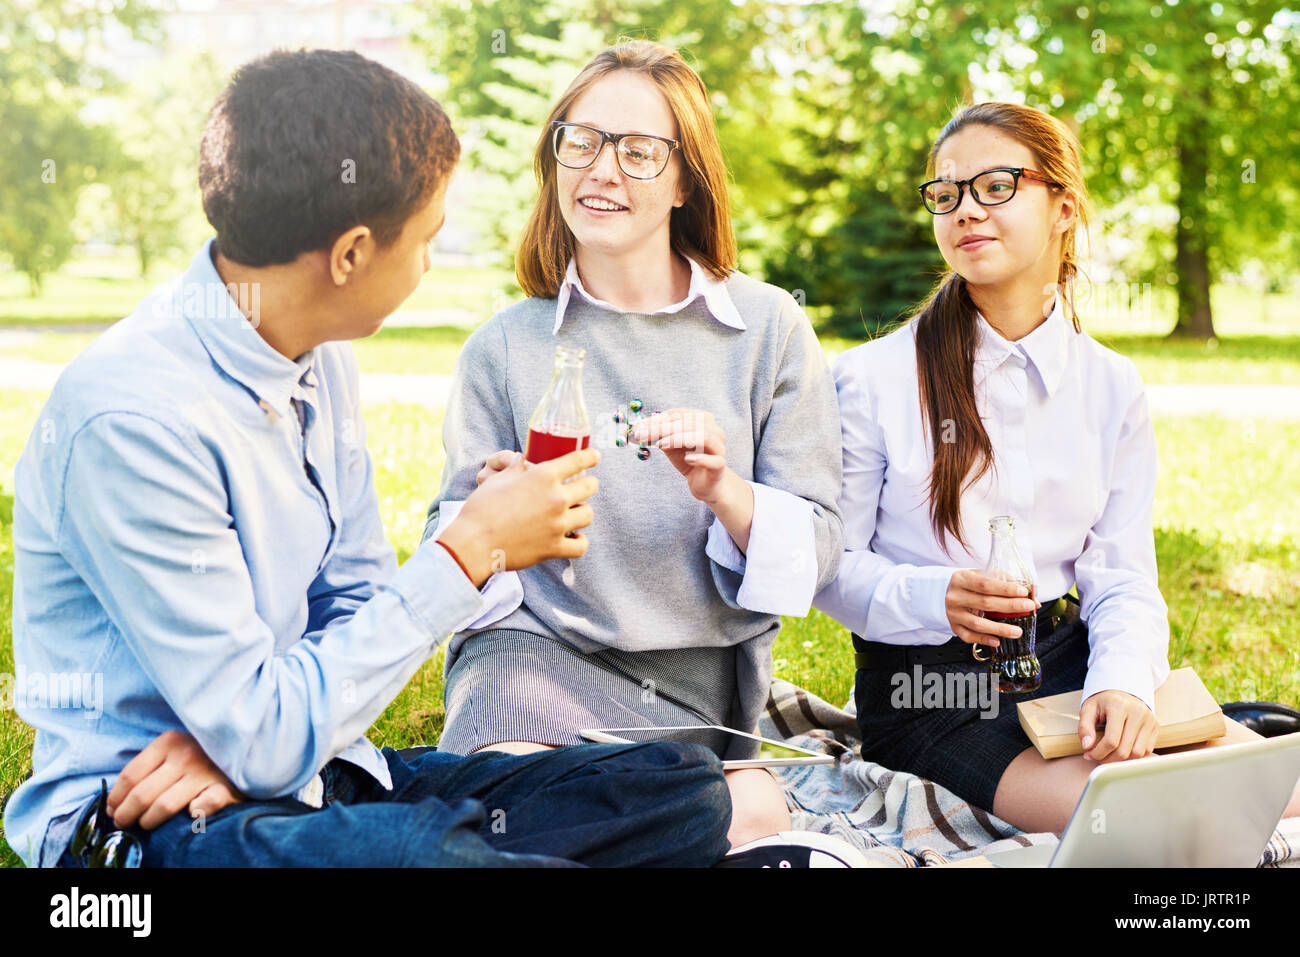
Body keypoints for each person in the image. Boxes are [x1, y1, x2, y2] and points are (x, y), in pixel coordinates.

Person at [3, 48, 740, 868]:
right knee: (430, 858)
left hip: (298, 772)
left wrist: (250, 743)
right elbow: (273, 726)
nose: (430, 261)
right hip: (152, 827)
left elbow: (352, 606)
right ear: (352, 254)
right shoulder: (133, 420)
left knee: (679, 788)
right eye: (425, 239)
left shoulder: (319, 358)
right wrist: (466, 552)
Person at [814, 101, 1300, 835]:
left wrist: (1123, 683)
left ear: (1063, 205)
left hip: (1067, 663)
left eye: (996, 186)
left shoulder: (1110, 385)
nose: (966, 210)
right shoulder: (873, 378)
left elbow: (1123, 574)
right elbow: (830, 567)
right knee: (1164, 822)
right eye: (946, 194)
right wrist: (932, 594)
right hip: (933, 695)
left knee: (1277, 793)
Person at [423, 41, 846, 848]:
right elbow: (452, 568)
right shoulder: (502, 348)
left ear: (686, 178)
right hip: (532, 659)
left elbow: (818, 551)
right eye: (580, 141)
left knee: (744, 820)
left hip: (703, 692)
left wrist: (727, 489)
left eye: (638, 151)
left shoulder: (768, 332)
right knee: (519, 805)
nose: (601, 171)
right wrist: (491, 527)